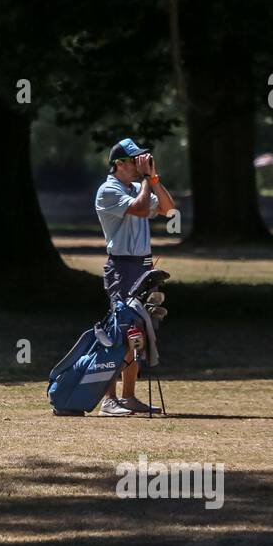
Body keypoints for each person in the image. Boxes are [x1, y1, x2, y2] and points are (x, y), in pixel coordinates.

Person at [92, 138, 177, 416]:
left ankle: (128, 396)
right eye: (134, 160)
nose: (139, 163)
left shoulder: (135, 187)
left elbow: (167, 208)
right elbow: (141, 208)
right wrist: (144, 180)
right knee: (119, 332)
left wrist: (152, 177)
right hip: (122, 267)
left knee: (137, 333)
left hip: (141, 267)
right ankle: (109, 399)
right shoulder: (109, 190)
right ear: (119, 164)